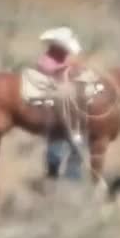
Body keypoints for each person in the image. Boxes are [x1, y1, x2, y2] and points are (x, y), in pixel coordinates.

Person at [36, 27, 85, 180]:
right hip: (52, 99)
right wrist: (66, 68)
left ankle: (71, 178)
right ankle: (54, 176)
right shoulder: (47, 59)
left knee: (75, 147)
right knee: (58, 144)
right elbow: (46, 71)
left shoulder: (64, 57)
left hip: (65, 102)